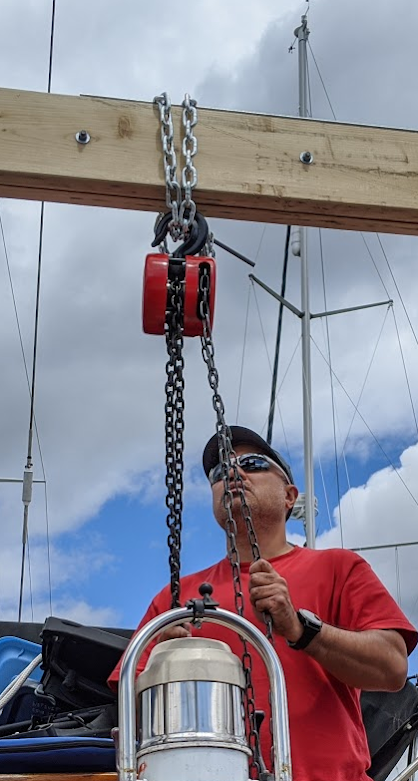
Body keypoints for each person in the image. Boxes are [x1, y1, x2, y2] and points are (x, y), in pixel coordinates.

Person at [108, 425, 418, 781]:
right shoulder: (173, 597)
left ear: (289, 496)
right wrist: (159, 667)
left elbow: (393, 667)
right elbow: (126, 712)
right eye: (220, 472)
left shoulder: (339, 568)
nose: (234, 473)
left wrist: (303, 630)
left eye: (253, 464)